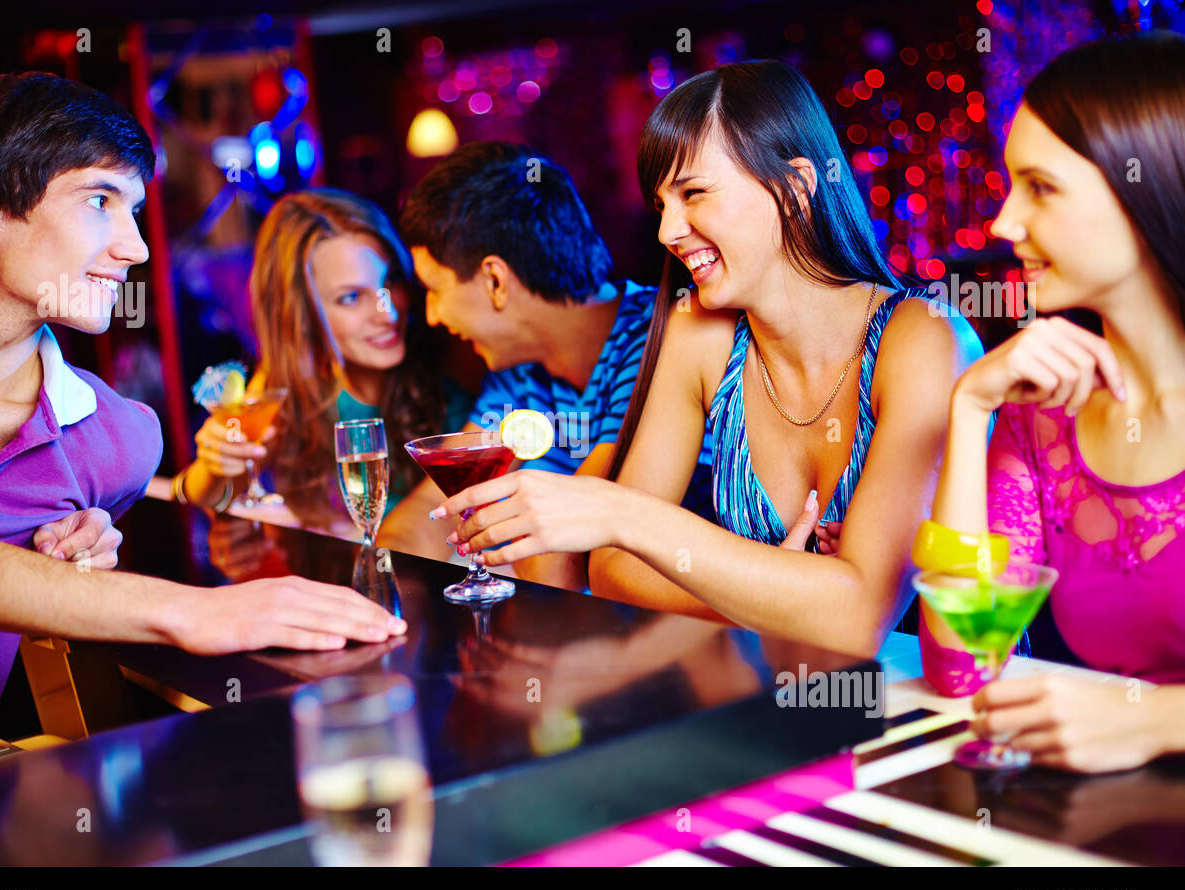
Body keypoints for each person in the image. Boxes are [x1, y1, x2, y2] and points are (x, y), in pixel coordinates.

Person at [0, 73, 404, 783]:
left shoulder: (118, 440)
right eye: (100, 200)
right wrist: (190, 612)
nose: (136, 248)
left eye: (135, 209)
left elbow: (44, 597)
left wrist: (71, 564)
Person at [432, 60, 981, 651]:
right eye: (662, 204)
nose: (668, 231)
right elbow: (612, 571)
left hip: (944, 709)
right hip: (775, 705)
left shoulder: (923, 337)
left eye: (693, 193)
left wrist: (620, 512)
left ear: (796, 187)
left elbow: (856, 618)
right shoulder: (701, 333)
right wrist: (779, 595)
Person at [925, 31, 1185, 773]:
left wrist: (1160, 721)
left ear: (1148, 188)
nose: (1004, 225)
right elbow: (962, 666)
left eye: (1041, 187)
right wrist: (970, 409)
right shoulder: (1040, 419)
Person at [378, 141, 717, 591]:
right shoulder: (519, 371)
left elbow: (562, 568)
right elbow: (432, 514)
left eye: (434, 289)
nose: (433, 316)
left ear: (495, 281)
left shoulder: (660, 345)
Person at [174, 188, 471, 529]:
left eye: (390, 282)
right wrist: (214, 462)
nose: (387, 314)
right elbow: (207, 498)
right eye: (351, 297)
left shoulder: (454, 349)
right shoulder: (286, 389)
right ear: (302, 314)